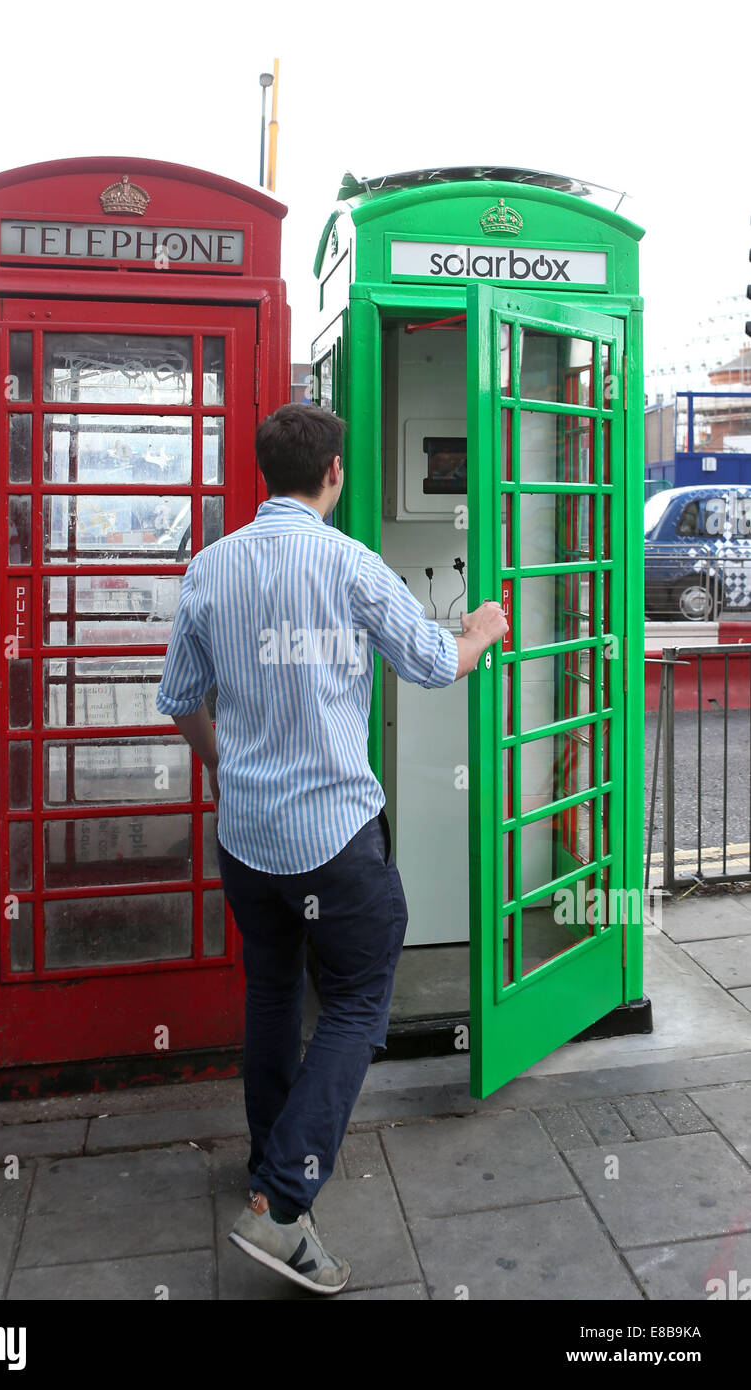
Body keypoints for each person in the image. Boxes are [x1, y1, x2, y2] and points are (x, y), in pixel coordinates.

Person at [156, 403, 508, 1295]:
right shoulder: (351, 564)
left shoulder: (210, 568)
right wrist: (483, 632)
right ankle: (280, 1206)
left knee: (274, 992)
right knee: (355, 1006)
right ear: (337, 474)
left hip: (250, 839)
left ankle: (271, 1163)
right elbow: (432, 661)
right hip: (335, 841)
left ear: (263, 473)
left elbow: (181, 698)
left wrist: (227, 767)